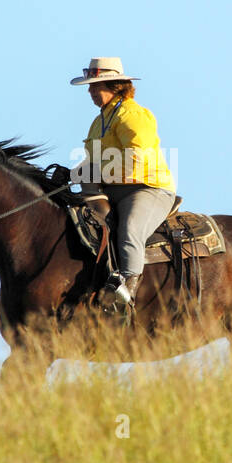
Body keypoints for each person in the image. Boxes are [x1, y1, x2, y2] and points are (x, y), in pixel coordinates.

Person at [69, 57, 176, 310]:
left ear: (115, 85)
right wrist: (72, 175)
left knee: (130, 230)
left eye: (95, 86)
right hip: (110, 190)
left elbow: (137, 157)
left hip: (147, 188)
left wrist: (96, 174)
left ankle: (126, 293)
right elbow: (92, 161)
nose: (90, 91)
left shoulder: (134, 115)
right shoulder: (99, 121)